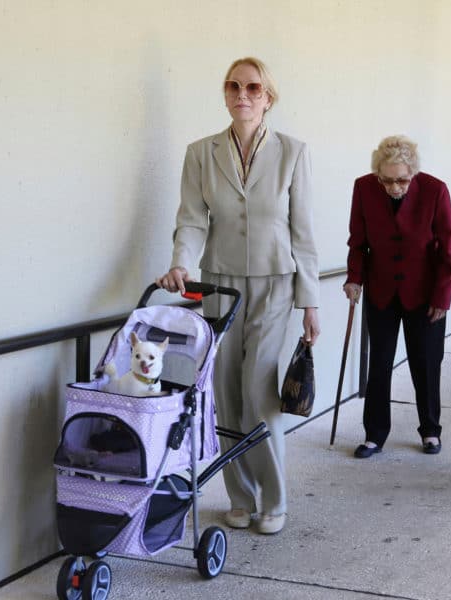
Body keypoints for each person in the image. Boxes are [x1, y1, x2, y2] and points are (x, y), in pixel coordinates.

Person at [156, 57, 320, 534]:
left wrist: (311, 302)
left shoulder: (293, 152)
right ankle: (240, 497)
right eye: (233, 86)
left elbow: (304, 233)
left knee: (257, 390)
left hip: (275, 283)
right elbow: (191, 218)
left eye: (253, 87)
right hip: (220, 284)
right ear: (225, 94)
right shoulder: (200, 153)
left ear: (268, 97)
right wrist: (180, 263)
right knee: (225, 393)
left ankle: (274, 498)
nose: (242, 94)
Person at [344, 135, 451, 458]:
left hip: (425, 293)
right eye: (387, 180)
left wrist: (443, 297)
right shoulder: (364, 188)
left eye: (402, 180)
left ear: (414, 173)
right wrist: (354, 278)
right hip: (381, 290)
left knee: (426, 363)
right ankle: (375, 434)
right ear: (377, 174)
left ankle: (430, 430)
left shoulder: (435, 190)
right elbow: (358, 242)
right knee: (379, 364)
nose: (394, 188)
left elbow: (448, 249)